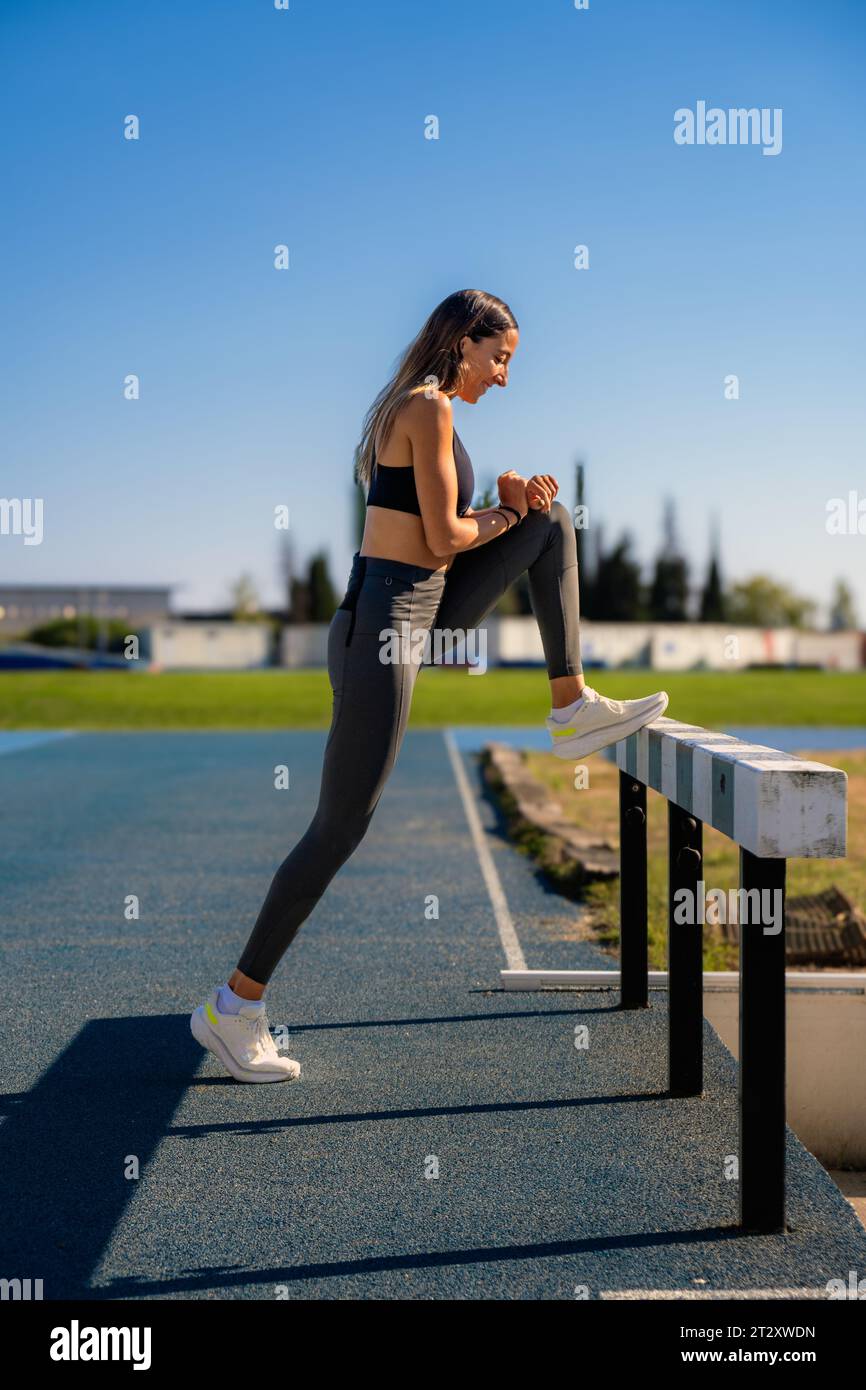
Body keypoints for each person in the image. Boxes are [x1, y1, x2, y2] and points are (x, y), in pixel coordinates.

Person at [190, 289, 668, 1082]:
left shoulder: (419, 407)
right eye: (501, 356)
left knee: (552, 523)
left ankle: (571, 704)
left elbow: (440, 535)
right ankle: (233, 1008)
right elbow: (445, 537)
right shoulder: (429, 409)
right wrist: (504, 511)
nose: (506, 376)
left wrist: (512, 508)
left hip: (417, 609)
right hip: (388, 625)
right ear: (462, 341)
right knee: (339, 827)